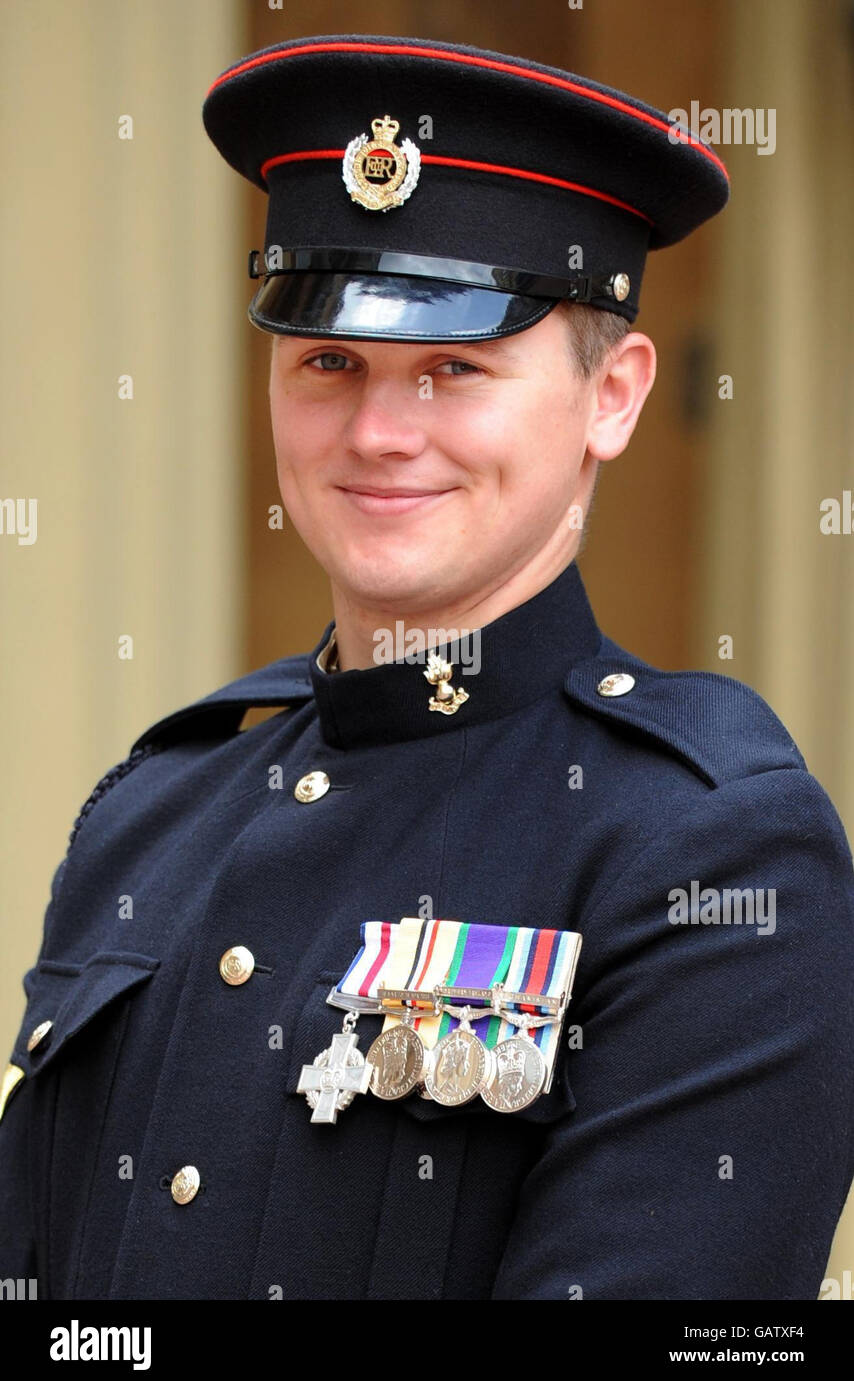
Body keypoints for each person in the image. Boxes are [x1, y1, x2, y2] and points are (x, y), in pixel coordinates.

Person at [1, 31, 852, 1302]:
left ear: (611, 395)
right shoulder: (155, 811)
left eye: (454, 368)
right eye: (328, 362)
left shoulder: (710, 853)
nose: (379, 432)